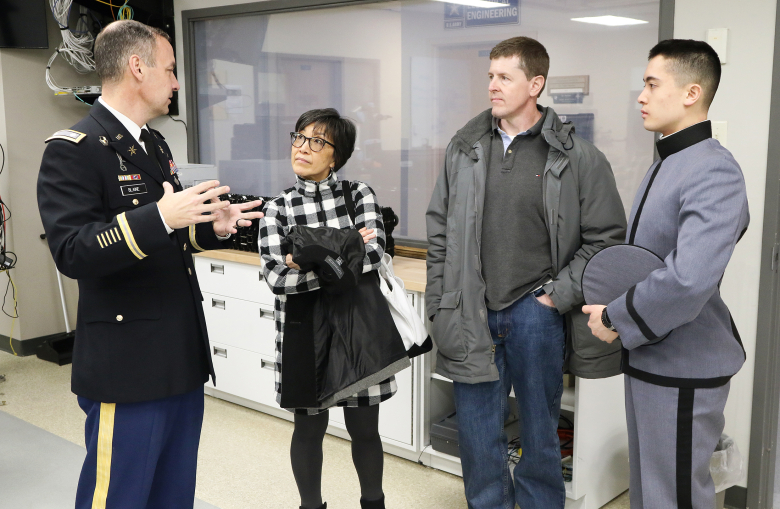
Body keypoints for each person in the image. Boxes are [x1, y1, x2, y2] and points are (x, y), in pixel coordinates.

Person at [37, 20, 263, 509]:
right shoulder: (72, 150)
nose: (177, 83)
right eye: (171, 69)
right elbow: (73, 250)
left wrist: (211, 226)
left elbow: (171, 231)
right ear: (137, 67)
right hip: (128, 362)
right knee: (119, 495)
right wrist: (160, 215)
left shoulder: (154, 144)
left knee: (173, 493)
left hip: (179, 351)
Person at [425, 36, 626, 509]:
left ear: (535, 84)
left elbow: (605, 241)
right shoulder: (464, 149)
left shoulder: (579, 158)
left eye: (504, 77)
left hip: (537, 312)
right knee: (478, 434)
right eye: (490, 76)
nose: (492, 86)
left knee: (540, 433)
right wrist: (439, 301)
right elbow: (439, 231)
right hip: (470, 310)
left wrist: (557, 296)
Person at [583, 39, 749, 509]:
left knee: (672, 497)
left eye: (652, 84)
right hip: (652, 358)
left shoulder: (714, 170)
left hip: (684, 363)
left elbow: (688, 278)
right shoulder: (670, 162)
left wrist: (616, 317)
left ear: (691, 92)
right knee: (653, 490)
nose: (642, 95)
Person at [258, 108, 390, 509]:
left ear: (336, 155)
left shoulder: (358, 195)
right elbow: (277, 279)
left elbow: (375, 255)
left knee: (365, 428)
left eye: (317, 141)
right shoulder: (277, 208)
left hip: (356, 328)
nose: (303, 147)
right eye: (299, 137)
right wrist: (345, 248)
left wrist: (309, 259)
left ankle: (374, 503)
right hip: (303, 330)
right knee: (308, 428)